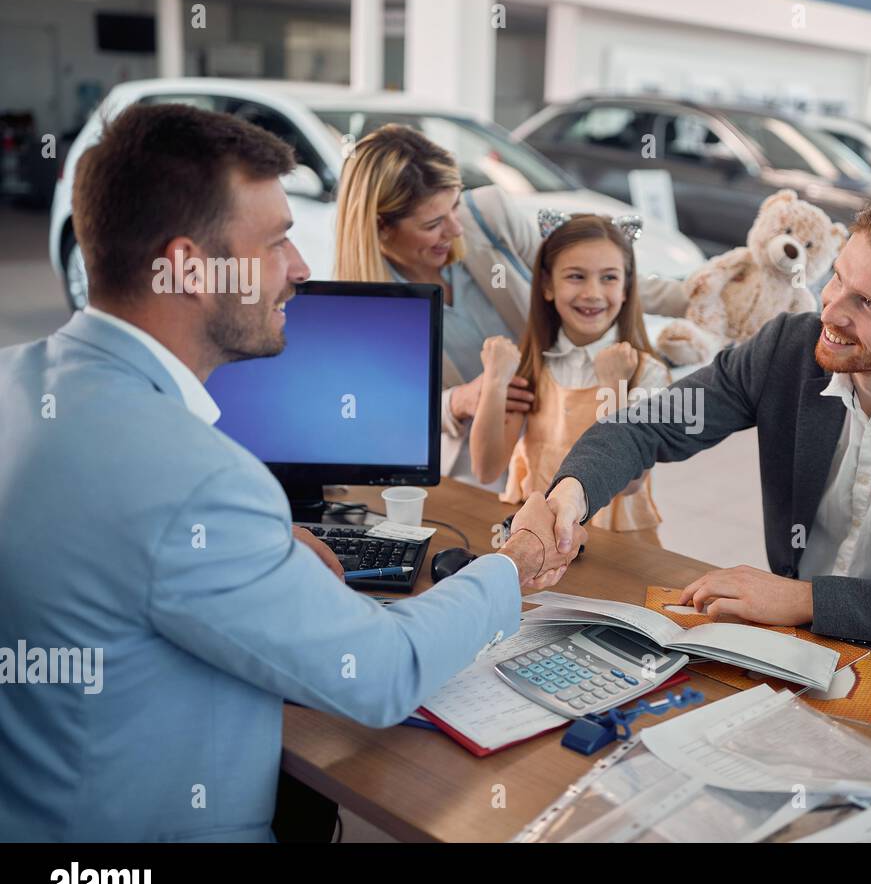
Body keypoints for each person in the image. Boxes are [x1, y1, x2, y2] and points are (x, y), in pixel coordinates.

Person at [0, 103, 583, 842]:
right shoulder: (200, 481)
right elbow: (381, 672)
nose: (302, 269)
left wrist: (265, 561)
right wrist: (515, 561)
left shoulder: (15, 386)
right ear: (188, 266)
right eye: (277, 243)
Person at [542, 192, 871, 643]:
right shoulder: (788, 348)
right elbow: (647, 425)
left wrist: (805, 601)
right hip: (788, 645)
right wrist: (571, 492)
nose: (830, 310)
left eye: (868, 304)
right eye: (837, 277)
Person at [332, 124, 687, 488]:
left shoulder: (487, 217)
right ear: (381, 227)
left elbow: (580, 272)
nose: (455, 228)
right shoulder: (362, 303)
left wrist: (699, 300)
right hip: (477, 471)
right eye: (434, 223)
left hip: (559, 435)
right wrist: (457, 401)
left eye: (455, 205)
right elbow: (377, 411)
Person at [470, 213, 670, 544]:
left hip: (616, 546)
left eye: (609, 278)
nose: (593, 293)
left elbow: (631, 482)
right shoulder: (532, 364)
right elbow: (487, 469)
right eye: (576, 276)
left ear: (626, 288)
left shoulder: (646, 373)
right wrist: (493, 382)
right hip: (538, 541)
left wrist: (614, 387)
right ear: (547, 285)